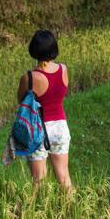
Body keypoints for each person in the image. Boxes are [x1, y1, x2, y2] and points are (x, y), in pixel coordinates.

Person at [17, 29, 72, 190]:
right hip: (61, 127)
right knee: (64, 177)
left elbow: (21, 101)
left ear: (33, 50)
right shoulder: (63, 69)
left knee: (38, 182)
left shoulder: (30, 77)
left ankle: (35, 213)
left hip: (38, 129)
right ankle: (73, 212)